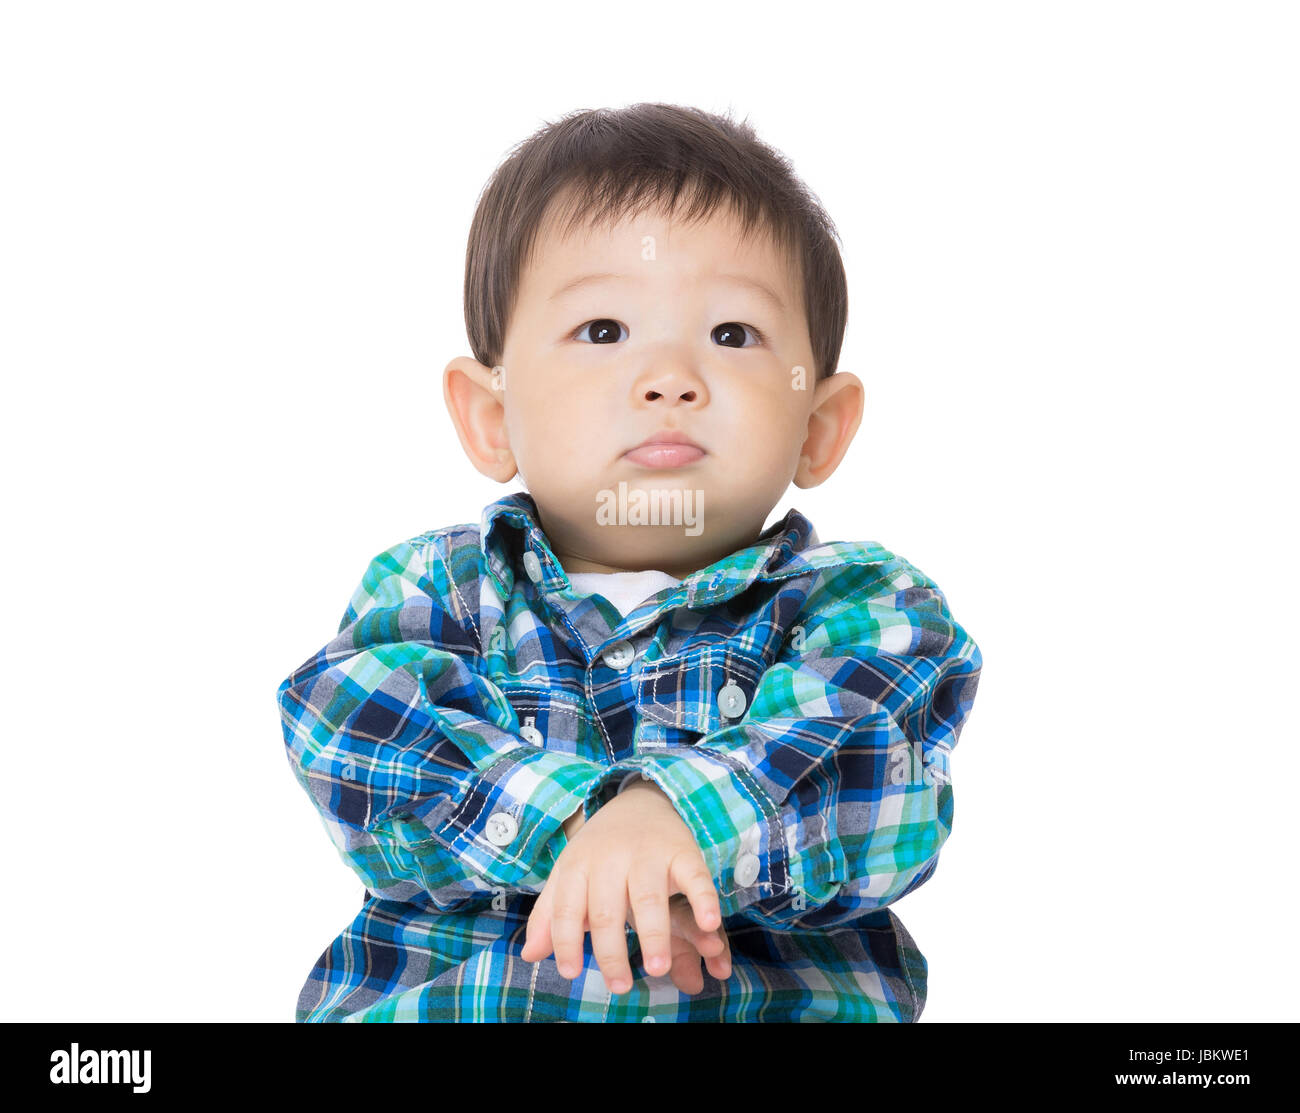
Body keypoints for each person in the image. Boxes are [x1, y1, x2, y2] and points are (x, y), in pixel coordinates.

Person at [275, 102, 983, 1022]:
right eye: (604, 330)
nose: (669, 377)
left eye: (733, 335)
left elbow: (876, 776)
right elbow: (357, 734)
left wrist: (679, 821)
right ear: (490, 416)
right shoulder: (436, 587)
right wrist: (585, 825)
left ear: (819, 427)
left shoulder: (865, 606)